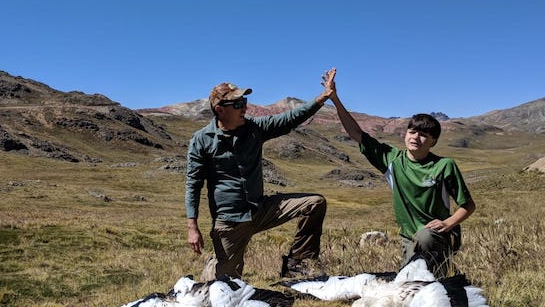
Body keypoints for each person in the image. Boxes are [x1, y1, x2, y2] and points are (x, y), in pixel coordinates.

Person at [325, 68, 475, 278]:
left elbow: (468, 205)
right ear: (405, 134)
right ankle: (442, 272)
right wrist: (335, 99)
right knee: (409, 280)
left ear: (433, 142)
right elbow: (357, 134)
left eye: (423, 135)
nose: (416, 137)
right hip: (409, 239)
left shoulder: (444, 165)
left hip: (440, 234)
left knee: (425, 256)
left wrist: (448, 223)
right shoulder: (393, 160)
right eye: (412, 132)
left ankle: (443, 269)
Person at [186, 71, 337, 279]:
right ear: (220, 110)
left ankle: (297, 265)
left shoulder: (255, 129)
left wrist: (322, 98)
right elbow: (193, 183)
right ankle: (215, 265)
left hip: (261, 210)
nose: (244, 108)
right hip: (230, 222)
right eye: (237, 104)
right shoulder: (202, 140)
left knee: (315, 203)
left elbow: (289, 119)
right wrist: (192, 227)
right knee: (225, 286)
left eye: (244, 102)